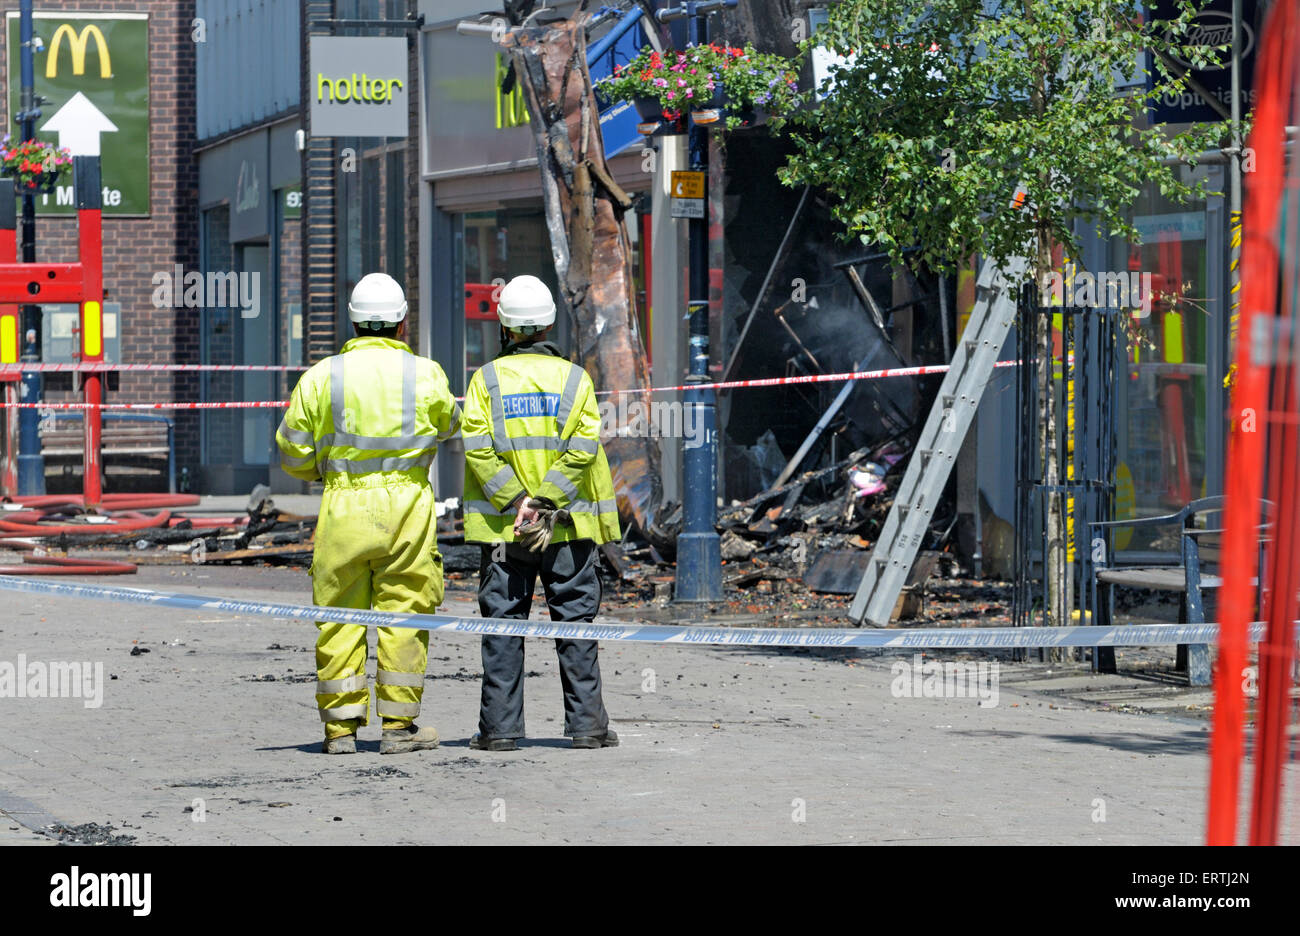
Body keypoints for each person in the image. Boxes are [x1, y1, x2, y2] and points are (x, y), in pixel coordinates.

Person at [277, 272, 460, 755]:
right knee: (406, 610)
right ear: (403, 322)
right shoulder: (426, 373)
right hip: (407, 507)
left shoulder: (322, 376)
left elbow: (291, 450)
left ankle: (340, 731)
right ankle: (399, 729)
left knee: (339, 615)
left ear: (353, 322)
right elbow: (449, 425)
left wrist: (325, 472)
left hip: (344, 506)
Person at [461, 274, 622, 751]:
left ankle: (501, 731)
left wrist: (519, 503)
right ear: (549, 323)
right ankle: (588, 728)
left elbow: (477, 448)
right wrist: (547, 501)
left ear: (506, 328)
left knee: (503, 629)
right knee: (575, 624)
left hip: (504, 529)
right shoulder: (576, 379)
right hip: (566, 528)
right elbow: (582, 449)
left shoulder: (485, 380)